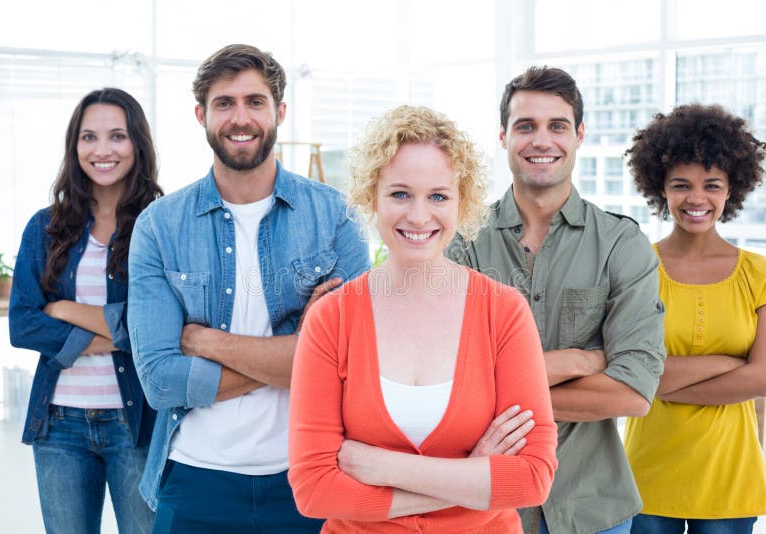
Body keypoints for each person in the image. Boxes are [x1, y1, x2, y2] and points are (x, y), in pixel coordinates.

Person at [126, 44, 369, 533]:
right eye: (224, 103)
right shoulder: (159, 226)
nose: (241, 118)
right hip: (194, 479)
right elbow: (160, 383)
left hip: (309, 475)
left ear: (280, 112)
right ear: (201, 115)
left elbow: (353, 362)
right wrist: (298, 355)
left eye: (255, 102)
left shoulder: (335, 216)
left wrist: (205, 341)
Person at [288, 105, 557, 533]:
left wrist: (383, 467)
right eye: (400, 194)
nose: (418, 216)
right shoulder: (331, 319)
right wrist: (471, 477)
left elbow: (532, 478)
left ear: (461, 202)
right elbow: (315, 489)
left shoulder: (503, 312)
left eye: (437, 196)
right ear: (371, 197)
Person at [446, 66, 667, 534]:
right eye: (526, 126)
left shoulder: (620, 244)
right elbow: (447, 381)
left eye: (557, 126)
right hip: (483, 504)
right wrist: (579, 361)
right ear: (504, 136)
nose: (541, 140)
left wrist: (500, 392)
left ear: (579, 134)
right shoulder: (462, 242)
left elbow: (633, 392)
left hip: (592, 508)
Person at [622, 104, 766, 534]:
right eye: (681, 185)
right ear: (661, 188)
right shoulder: (636, 268)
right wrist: (729, 364)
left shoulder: (760, 274)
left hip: (730, 480)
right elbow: (635, 375)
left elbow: (764, 380)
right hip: (646, 476)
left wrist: (661, 383)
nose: (697, 199)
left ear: (731, 189)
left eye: (711, 185)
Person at [9, 88, 161, 534]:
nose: (102, 150)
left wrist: (63, 308)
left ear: (137, 143)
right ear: (74, 146)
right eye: (89, 137)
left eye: (117, 136)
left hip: (135, 422)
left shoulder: (159, 225)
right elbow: (23, 324)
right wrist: (118, 336)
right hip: (58, 425)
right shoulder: (45, 227)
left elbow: (160, 327)